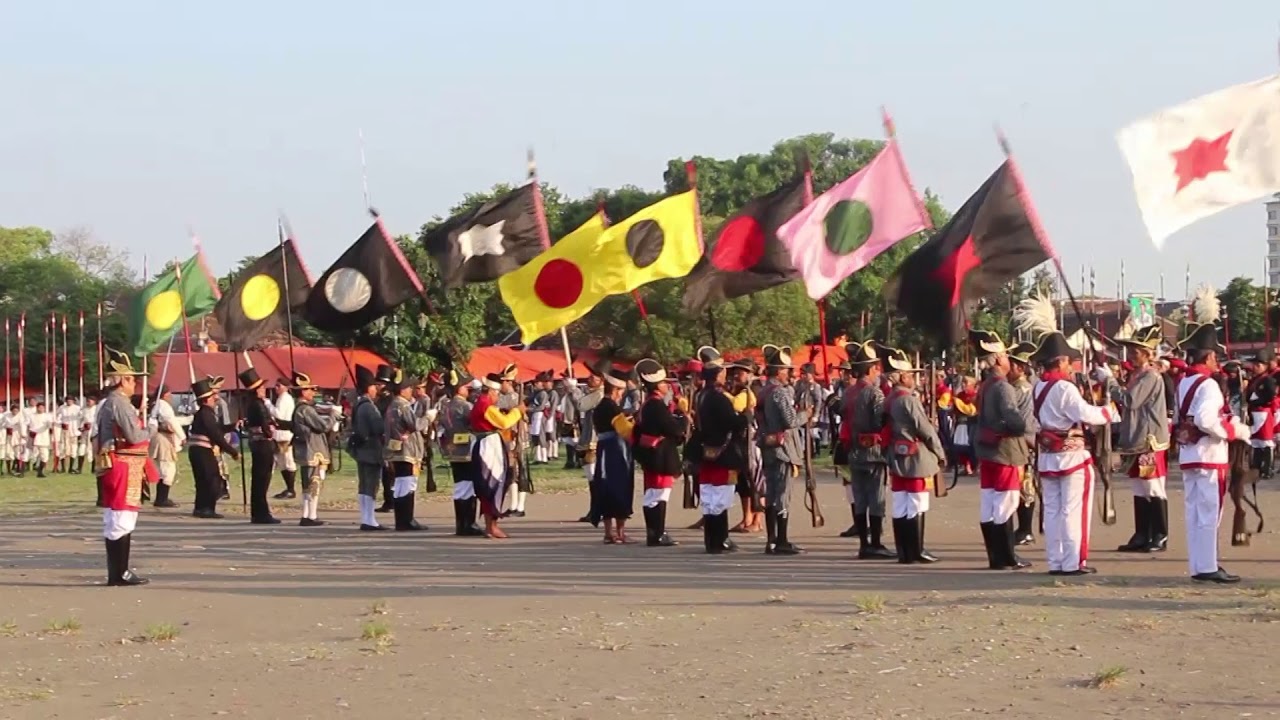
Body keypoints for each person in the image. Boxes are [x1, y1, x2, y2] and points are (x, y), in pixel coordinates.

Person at [1027, 326, 1113, 576]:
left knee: (1053, 512)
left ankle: (1056, 561)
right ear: (1061, 361)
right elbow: (1086, 414)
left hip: (1049, 457)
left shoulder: (1039, 386)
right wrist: (1109, 410)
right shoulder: (1064, 388)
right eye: (1068, 361)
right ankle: (1073, 562)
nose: (1070, 366)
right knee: (1073, 511)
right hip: (1072, 456)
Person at [1174, 317, 1250, 583]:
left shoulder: (1184, 382)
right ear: (1207, 358)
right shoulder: (1208, 385)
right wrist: (1234, 431)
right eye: (1215, 357)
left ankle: (1199, 565)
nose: (1217, 362)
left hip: (1189, 454)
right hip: (1209, 454)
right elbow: (1205, 420)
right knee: (1209, 513)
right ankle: (1207, 566)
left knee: (1194, 513)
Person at [94, 348, 160, 586]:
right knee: (122, 517)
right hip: (124, 464)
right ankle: (120, 572)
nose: (134, 385)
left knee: (117, 518)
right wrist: (151, 428)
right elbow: (133, 436)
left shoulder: (110, 403)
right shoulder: (119, 403)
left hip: (118, 463)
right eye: (132, 380)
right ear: (122, 380)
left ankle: (119, 571)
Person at [970, 330, 1033, 570]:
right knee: (1006, 502)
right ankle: (1007, 556)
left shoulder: (986, 385)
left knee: (989, 502)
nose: (1008, 360)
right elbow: (1014, 418)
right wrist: (1021, 427)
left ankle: (995, 556)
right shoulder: (1003, 387)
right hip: (1005, 451)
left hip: (987, 451)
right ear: (998, 359)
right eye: (1005, 356)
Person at [883, 347, 943, 564]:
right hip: (915, 455)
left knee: (901, 503)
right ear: (902, 376)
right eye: (909, 374)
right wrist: (939, 451)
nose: (912, 378)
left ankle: (904, 552)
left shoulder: (890, 398)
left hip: (896, 454)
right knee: (917, 502)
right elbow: (924, 428)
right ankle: (916, 550)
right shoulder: (908, 399)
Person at [1115, 326, 1172, 553]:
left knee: (1152, 486)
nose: (1131, 355)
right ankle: (1142, 533)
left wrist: (1110, 384)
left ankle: (1159, 534)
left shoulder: (1150, 376)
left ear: (1148, 354)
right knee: (1139, 487)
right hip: (1135, 438)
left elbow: (1131, 400)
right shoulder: (1137, 375)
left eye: (1135, 352)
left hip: (1148, 440)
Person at [843, 342, 895, 559]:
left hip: (854, 450)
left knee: (860, 498)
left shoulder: (848, 392)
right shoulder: (874, 393)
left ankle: (864, 544)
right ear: (872, 369)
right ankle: (875, 543)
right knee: (876, 498)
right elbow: (878, 421)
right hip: (873, 451)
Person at [757, 344, 809, 556]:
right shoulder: (779, 392)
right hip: (782, 448)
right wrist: (806, 415)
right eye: (787, 370)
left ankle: (772, 540)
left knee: (771, 494)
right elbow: (790, 421)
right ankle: (781, 540)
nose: (789, 373)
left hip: (768, 445)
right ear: (779, 371)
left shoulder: (764, 390)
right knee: (782, 494)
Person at [694, 361, 748, 553]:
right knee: (721, 496)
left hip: (706, 449)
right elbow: (731, 422)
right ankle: (720, 539)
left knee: (709, 497)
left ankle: (711, 540)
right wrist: (745, 418)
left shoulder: (701, 395)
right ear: (718, 375)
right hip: (723, 452)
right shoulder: (718, 398)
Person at [633, 359, 684, 548]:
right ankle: (658, 533)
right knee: (659, 494)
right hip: (660, 454)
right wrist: (683, 418)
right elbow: (673, 429)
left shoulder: (649, 404)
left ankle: (654, 532)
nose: (666, 386)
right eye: (663, 383)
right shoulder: (656, 405)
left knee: (653, 494)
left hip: (653, 453)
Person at [470, 372, 524, 538]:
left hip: (487, 444)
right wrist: (518, 412)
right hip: (488, 447)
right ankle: (491, 525)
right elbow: (504, 422)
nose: (497, 397)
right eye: (497, 394)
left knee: (491, 485)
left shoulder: (482, 403)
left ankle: (491, 524)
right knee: (493, 483)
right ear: (492, 392)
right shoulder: (485, 404)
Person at [590, 364, 635, 543]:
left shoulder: (600, 406)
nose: (622, 394)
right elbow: (625, 431)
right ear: (616, 389)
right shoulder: (612, 408)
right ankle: (620, 532)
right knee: (620, 487)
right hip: (616, 450)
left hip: (603, 448)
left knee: (605, 487)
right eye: (621, 391)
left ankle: (608, 533)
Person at [188, 378, 240, 519]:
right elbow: (215, 434)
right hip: (202, 449)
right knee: (212, 479)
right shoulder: (206, 413)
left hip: (198, 450)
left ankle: (200, 507)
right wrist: (232, 451)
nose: (215, 399)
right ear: (206, 400)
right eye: (212, 397)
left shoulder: (205, 413)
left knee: (203, 480)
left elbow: (217, 429)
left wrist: (232, 426)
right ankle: (207, 508)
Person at [439, 370, 483, 536]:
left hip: (452, 450)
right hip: (466, 449)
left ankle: (461, 524)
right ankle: (468, 524)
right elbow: (475, 424)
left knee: (460, 487)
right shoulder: (465, 406)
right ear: (459, 389)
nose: (467, 389)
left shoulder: (446, 405)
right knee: (469, 486)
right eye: (465, 386)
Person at [1006, 342, 1040, 546]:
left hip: (1025, 441)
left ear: (1020, 367)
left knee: (1025, 487)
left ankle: (1025, 530)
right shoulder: (1025, 387)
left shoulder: (1021, 389)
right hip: (1026, 439)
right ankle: (1023, 529)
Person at [384, 368, 426, 532]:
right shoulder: (403, 405)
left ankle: (402, 520)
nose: (411, 391)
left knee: (401, 484)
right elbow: (415, 425)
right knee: (407, 484)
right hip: (407, 450)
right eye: (409, 388)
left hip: (397, 450)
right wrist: (427, 418)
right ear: (402, 390)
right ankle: (406, 520)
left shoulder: (392, 405)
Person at [239, 368, 281, 525]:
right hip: (263, 443)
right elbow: (265, 423)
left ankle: (257, 512)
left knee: (258, 479)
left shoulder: (251, 405)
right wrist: (271, 432)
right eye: (261, 387)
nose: (264, 389)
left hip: (256, 444)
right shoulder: (259, 405)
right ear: (256, 390)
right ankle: (262, 513)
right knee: (262, 478)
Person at [290, 372, 332, 527]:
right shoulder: (306, 410)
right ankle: (310, 515)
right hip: (313, 449)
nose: (313, 393)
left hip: (307, 449)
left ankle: (308, 514)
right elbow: (323, 426)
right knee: (314, 483)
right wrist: (334, 415)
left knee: (308, 484)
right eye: (310, 390)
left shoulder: (301, 408)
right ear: (303, 391)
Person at [352, 365, 389, 531]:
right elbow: (378, 428)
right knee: (371, 485)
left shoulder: (359, 404)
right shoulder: (368, 406)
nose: (376, 389)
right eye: (374, 386)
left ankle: (366, 518)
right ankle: (369, 520)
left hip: (362, 449)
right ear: (368, 388)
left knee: (364, 485)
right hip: (371, 449)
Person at [147, 385, 189, 509]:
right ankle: (162, 498)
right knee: (168, 469)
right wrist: (182, 436)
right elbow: (171, 421)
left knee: (163, 470)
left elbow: (175, 420)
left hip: (161, 438)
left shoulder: (157, 405)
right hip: (163, 439)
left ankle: (161, 497)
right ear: (165, 394)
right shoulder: (163, 405)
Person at [272, 381, 300, 500]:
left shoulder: (285, 399)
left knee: (288, 461)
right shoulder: (280, 398)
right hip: (279, 434)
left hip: (285, 434)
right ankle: (288, 488)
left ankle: (291, 489)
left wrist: (268, 406)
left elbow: (279, 415)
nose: (276, 388)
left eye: (279, 385)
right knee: (282, 462)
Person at [57, 396, 83, 473]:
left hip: (74, 431)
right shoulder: (62, 408)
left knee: (73, 449)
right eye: (68, 401)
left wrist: (80, 427)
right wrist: (61, 423)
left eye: (71, 400)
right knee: (63, 448)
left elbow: (82, 418)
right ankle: (63, 468)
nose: (69, 402)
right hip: (64, 431)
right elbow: (57, 417)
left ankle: (71, 468)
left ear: (73, 401)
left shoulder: (77, 408)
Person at [27, 401, 52, 477]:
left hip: (43, 438)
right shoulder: (31, 416)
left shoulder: (47, 416)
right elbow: (26, 424)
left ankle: (40, 472)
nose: (41, 409)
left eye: (42, 408)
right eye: (39, 407)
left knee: (45, 456)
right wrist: (29, 431)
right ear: (37, 408)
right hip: (34, 438)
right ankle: (22, 469)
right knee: (32, 455)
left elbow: (50, 425)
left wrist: (50, 426)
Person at [79, 396, 98, 474]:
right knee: (81, 449)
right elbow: (81, 420)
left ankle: (93, 468)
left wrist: (92, 425)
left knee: (93, 450)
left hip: (93, 431)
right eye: (87, 401)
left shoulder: (97, 409)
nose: (88, 403)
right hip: (85, 431)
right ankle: (79, 469)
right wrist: (81, 427)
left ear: (94, 402)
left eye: (90, 401)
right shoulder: (84, 410)